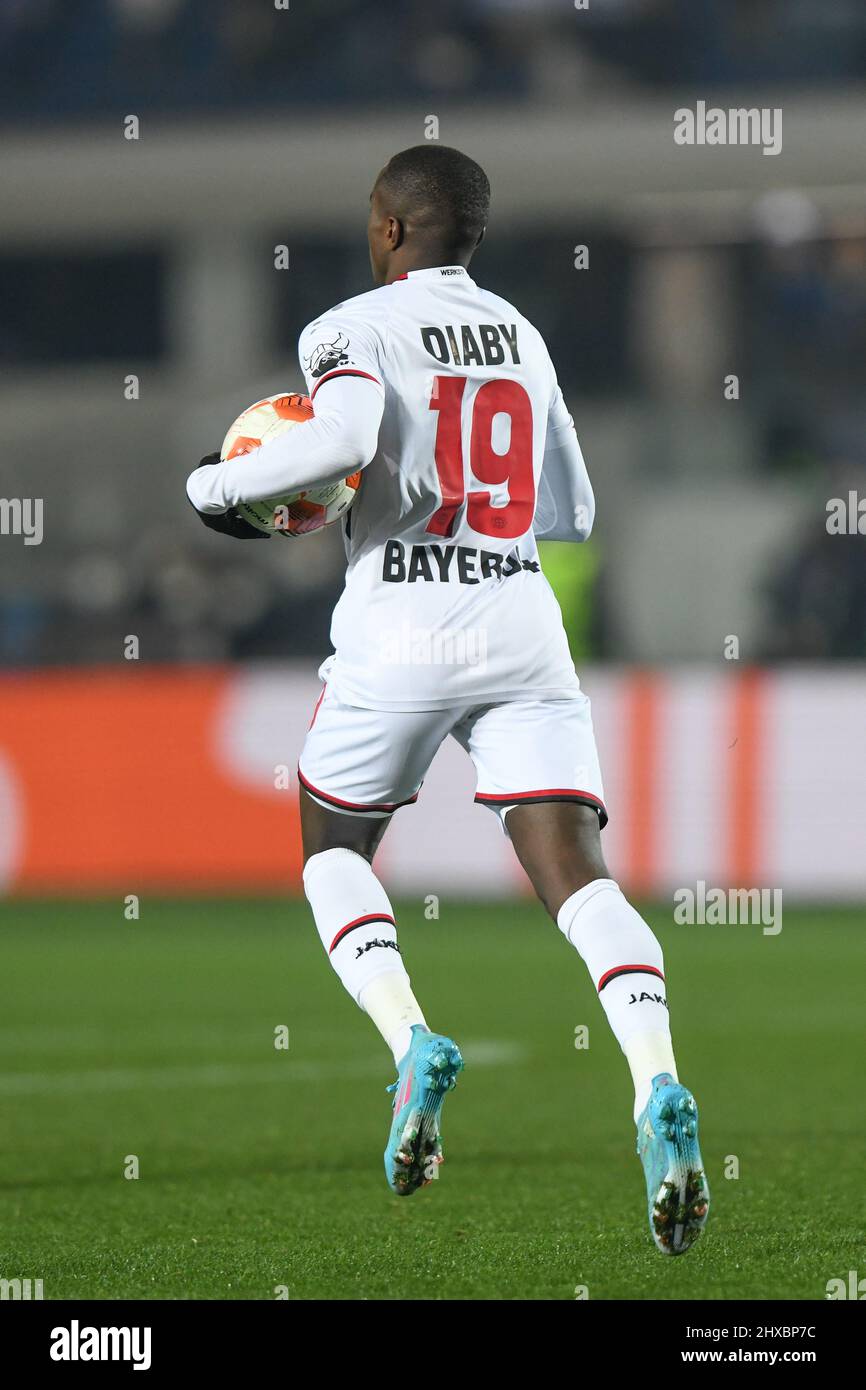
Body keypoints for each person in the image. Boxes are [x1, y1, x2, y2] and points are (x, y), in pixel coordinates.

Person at [187, 144, 709, 1255]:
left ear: (386, 228)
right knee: (577, 878)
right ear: (468, 234)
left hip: (400, 627)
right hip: (517, 617)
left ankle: (410, 1039)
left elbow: (340, 440)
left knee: (333, 848)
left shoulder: (346, 326)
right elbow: (569, 506)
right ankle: (654, 1079)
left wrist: (219, 487)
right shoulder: (520, 333)